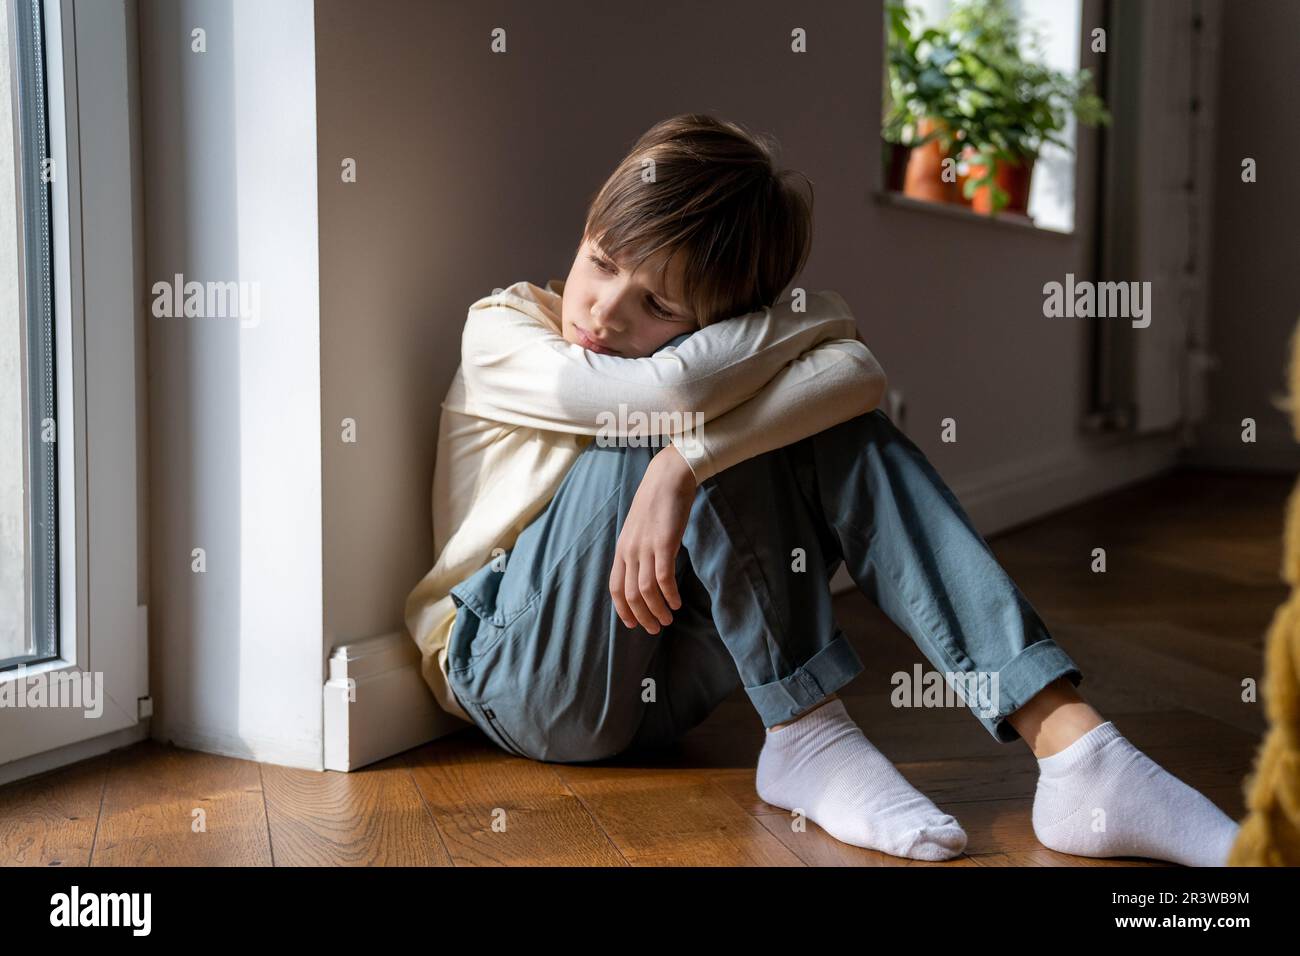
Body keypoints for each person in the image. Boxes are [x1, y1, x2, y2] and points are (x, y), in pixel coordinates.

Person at [405, 113, 1240, 865]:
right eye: (601, 262)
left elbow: (856, 378)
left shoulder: (705, 367)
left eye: (658, 304)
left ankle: (1074, 751)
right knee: (676, 430)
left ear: (720, 326)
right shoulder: (504, 328)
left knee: (815, 431)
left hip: (663, 683)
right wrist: (694, 439)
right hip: (518, 675)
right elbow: (669, 397)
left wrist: (682, 468)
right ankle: (808, 734)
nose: (606, 311)